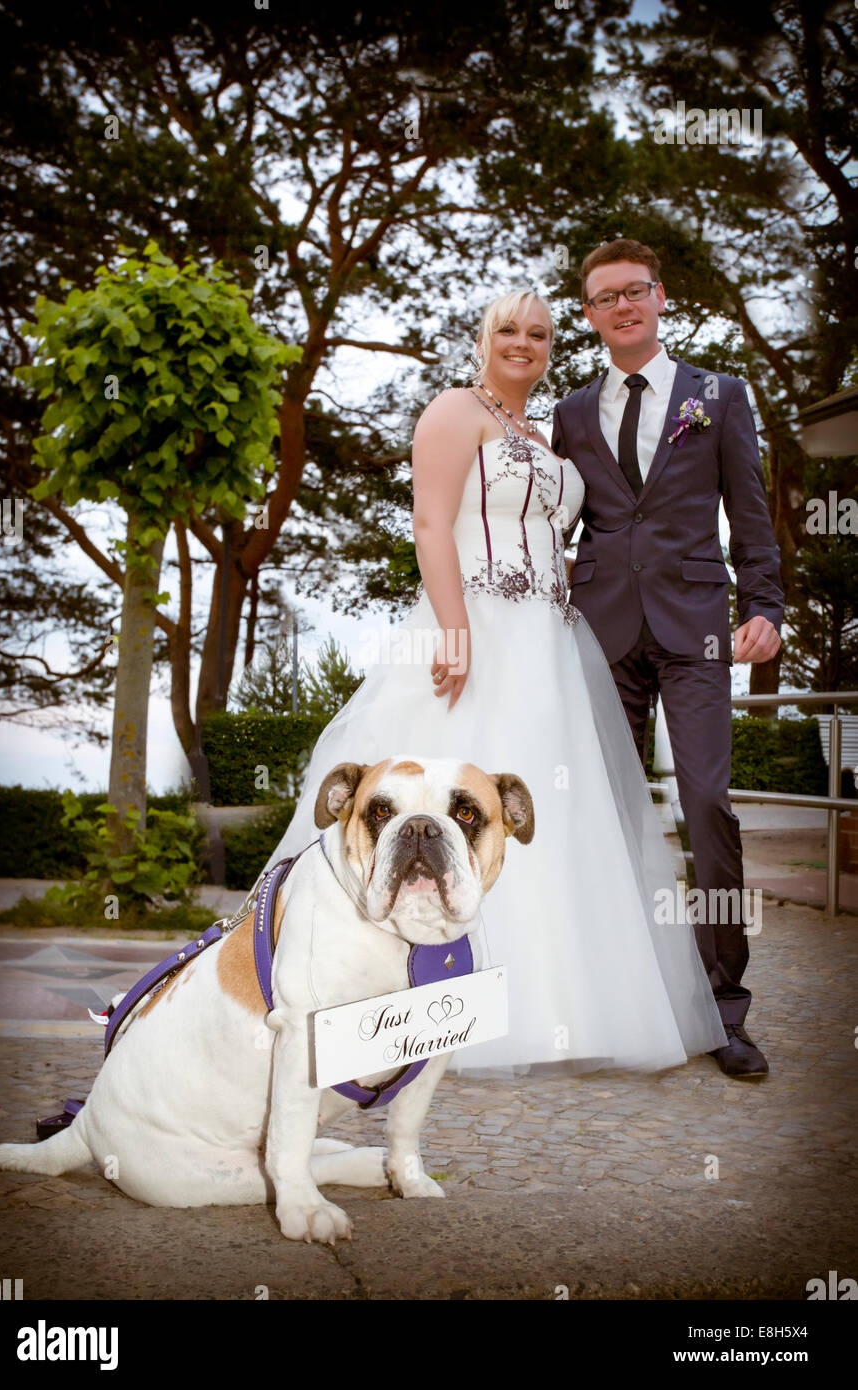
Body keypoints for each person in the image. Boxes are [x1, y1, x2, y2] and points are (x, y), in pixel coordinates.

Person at [228, 288, 727, 1077]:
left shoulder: (547, 430)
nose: (522, 344)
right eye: (507, 331)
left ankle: (555, 1010)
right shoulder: (454, 412)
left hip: (551, 646)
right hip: (472, 633)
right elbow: (430, 522)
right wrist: (454, 627)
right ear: (482, 338)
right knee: (436, 807)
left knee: (556, 823)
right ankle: (397, 1004)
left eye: (537, 333)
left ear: (550, 345)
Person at [553, 238, 785, 1079]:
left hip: (696, 627)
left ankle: (725, 1008)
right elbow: (562, 517)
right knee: (607, 816)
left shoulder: (717, 396)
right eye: (605, 296)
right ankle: (624, 999)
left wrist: (766, 607)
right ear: (588, 314)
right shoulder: (574, 410)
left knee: (707, 802)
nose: (623, 305)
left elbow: (749, 514)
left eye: (636, 291)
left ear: (659, 298)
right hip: (601, 628)